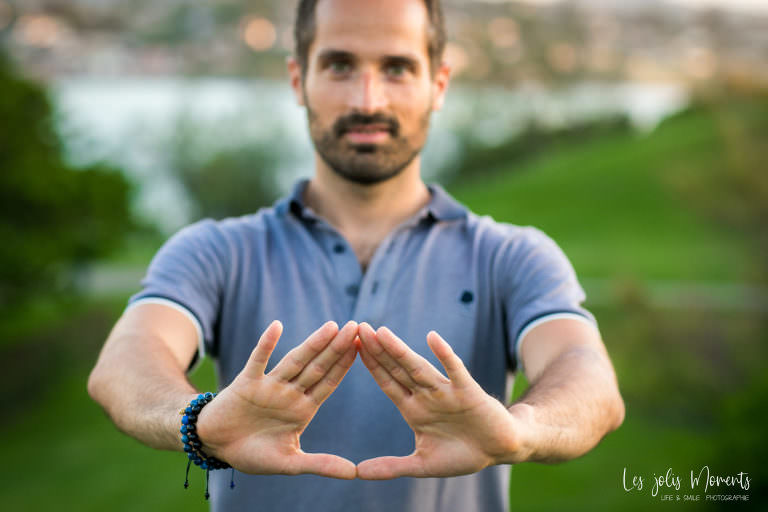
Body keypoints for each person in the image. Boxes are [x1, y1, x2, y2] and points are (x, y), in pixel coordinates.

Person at [88, 0, 625, 510]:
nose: (367, 100)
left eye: (396, 68)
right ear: (299, 79)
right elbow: (127, 360)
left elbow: (586, 375)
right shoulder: (217, 251)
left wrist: (521, 430)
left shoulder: (512, 256)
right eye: (340, 65)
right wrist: (198, 422)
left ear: (438, 85)